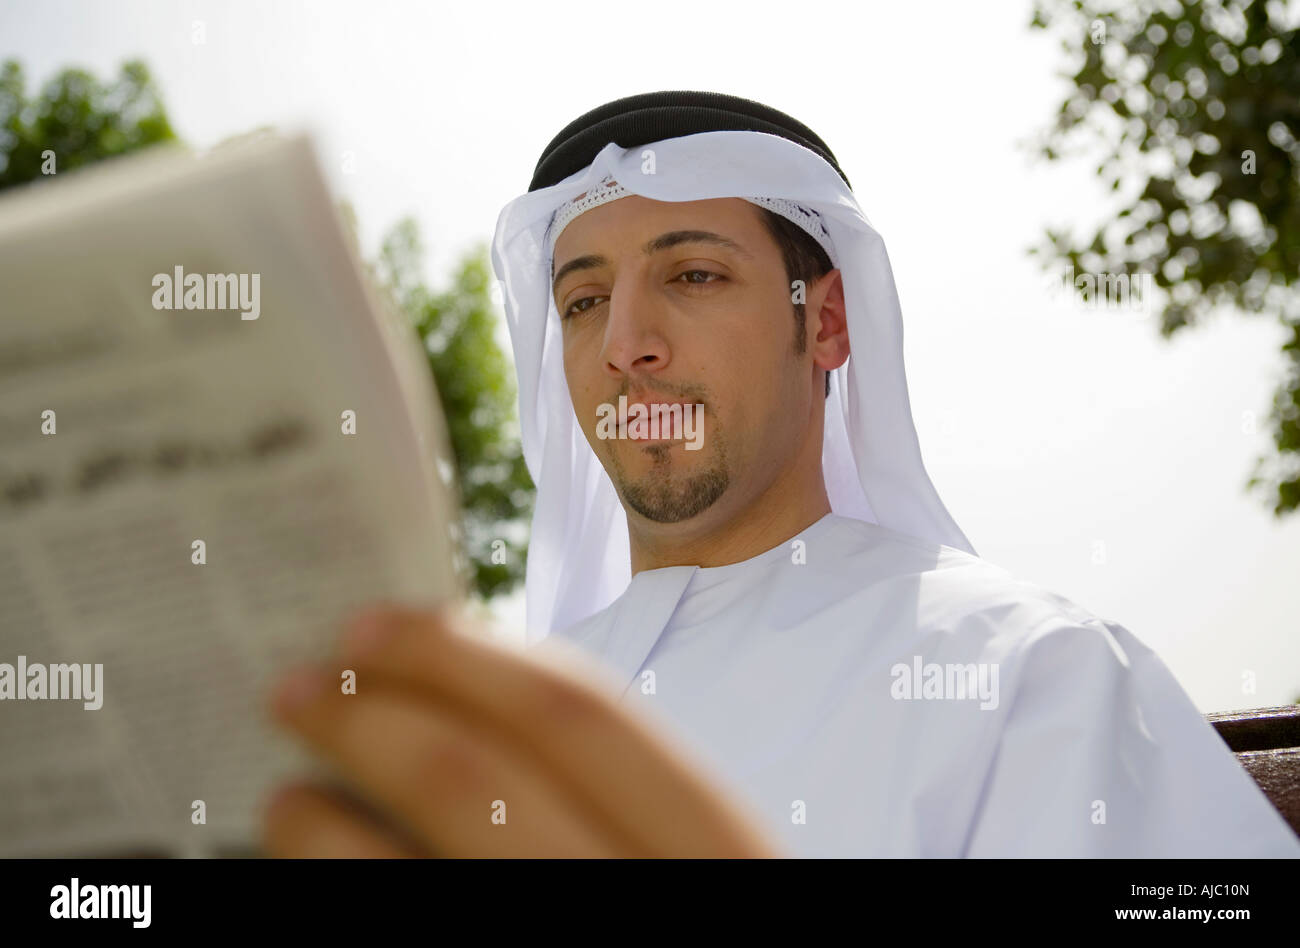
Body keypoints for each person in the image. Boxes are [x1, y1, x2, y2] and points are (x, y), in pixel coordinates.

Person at [263, 91, 1300, 858]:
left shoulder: (1034, 676)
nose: (626, 342)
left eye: (694, 275)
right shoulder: (479, 729)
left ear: (829, 321)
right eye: (582, 301)